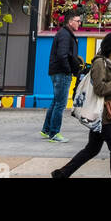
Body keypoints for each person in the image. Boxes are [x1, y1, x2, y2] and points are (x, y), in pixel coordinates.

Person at [51, 30, 111, 180]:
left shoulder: (110, 63)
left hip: (104, 113)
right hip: (102, 114)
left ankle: (62, 173)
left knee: (92, 149)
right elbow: (100, 89)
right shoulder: (100, 63)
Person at [42, 11, 83, 142]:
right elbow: (62, 55)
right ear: (70, 21)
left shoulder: (64, 33)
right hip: (61, 73)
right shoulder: (65, 35)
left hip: (56, 71)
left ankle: (46, 129)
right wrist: (68, 70)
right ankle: (54, 133)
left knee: (55, 101)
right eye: (78, 21)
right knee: (60, 103)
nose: (79, 23)